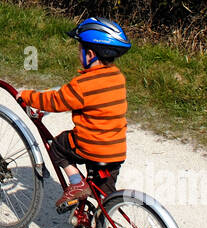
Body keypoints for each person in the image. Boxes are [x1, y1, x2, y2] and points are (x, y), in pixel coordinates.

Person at [16, 18, 130, 214]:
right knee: (104, 196)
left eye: (80, 50)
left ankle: (76, 182)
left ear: (90, 55)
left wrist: (27, 96)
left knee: (56, 146)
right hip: (115, 151)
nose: (79, 54)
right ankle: (102, 222)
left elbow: (55, 101)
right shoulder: (118, 77)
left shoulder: (83, 84)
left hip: (90, 146)